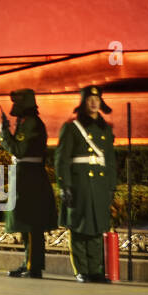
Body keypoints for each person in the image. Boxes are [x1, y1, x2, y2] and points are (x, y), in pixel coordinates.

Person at [54, 85, 117, 283]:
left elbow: (110, 160)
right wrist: (64, 186)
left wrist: (111, 186)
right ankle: (82, 270)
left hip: (99, 184)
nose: (93, 102)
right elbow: (62, 159)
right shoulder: (72, 128)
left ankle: (97, 270)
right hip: (79, 183)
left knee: (98, 226)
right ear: (83, 102)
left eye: (96, 99)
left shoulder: (105, 129)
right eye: (89, 99)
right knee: (80, 227)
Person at [0, 88, 56, 278]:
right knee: (27, 225)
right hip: (27, 177)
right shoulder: (27, 123)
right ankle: (29, 262)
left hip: (29, 179)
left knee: (31, 225)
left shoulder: (31, 124)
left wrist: (4, 134)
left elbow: (19, 150)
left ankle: (33, 266)